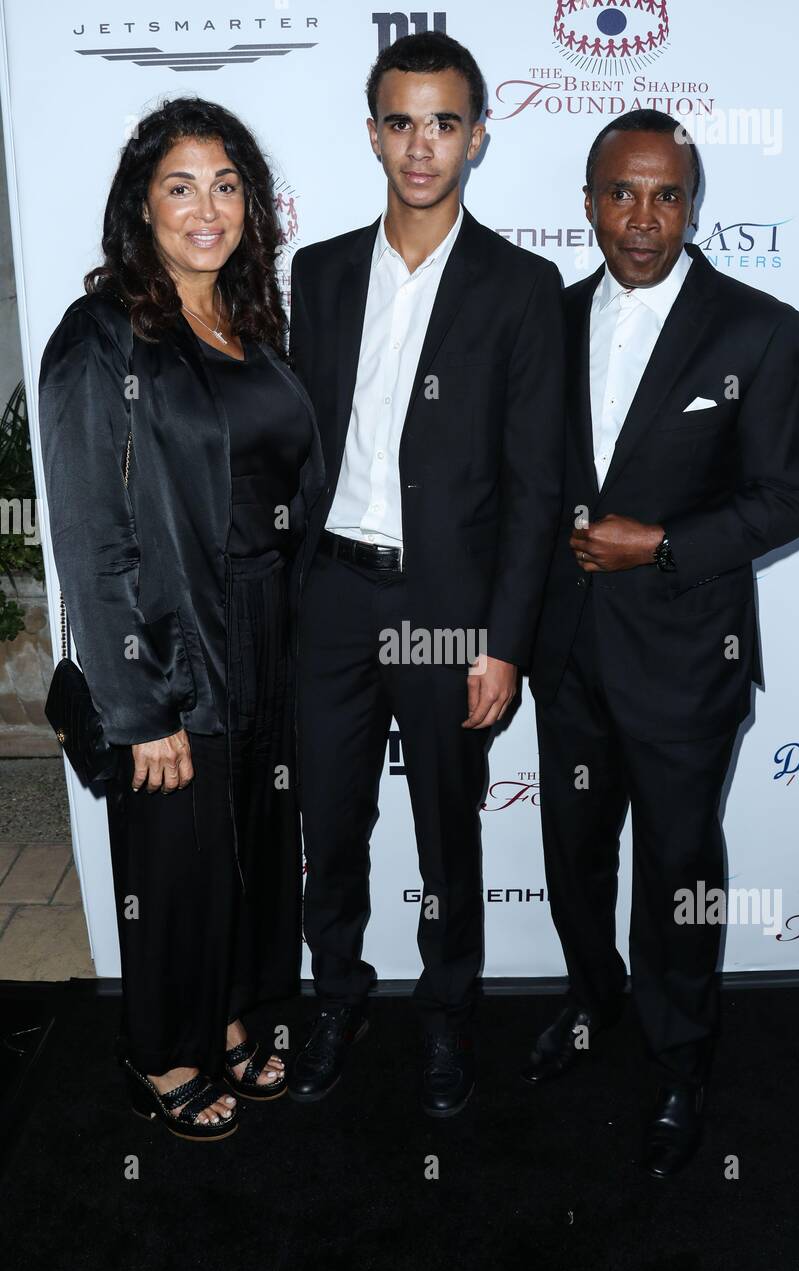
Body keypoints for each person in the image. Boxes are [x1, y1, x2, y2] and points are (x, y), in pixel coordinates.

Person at [526, 109, 799, 1175]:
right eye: (619, 193)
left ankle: (679, 1055)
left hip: (687, 662)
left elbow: (794, 497)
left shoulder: (756, 329)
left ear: (693, 205)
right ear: (588, 204)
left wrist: (658, 545)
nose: (640, 218)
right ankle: (589, 1000)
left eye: (664, 195)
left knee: (677, 870)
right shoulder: (546, 321)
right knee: (570, 856)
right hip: (562, 655)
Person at [287, 32, 565, 1116]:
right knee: (329, 818)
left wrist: (501, 640)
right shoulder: (317, 274)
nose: (420, 145)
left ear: (476, 136)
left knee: (448, 824)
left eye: (442, 122)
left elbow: (534, 489)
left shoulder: (520, 286)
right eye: (400, 121)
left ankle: (446, 1012)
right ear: (372, 133)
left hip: (448, 607)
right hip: (330, 595)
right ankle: (337, 993)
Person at [39, 97, 325, 1140]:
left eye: (226, 183)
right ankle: (164, 1052)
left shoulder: (248, 318)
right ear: (141, 205)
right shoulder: (101, 336)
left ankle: (238, 1012)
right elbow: (88, 533)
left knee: (252, 839)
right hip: (168, 644)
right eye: (180, 185)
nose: (207, 207)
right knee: (175, 867)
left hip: (267, 630)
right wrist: (137, 702)